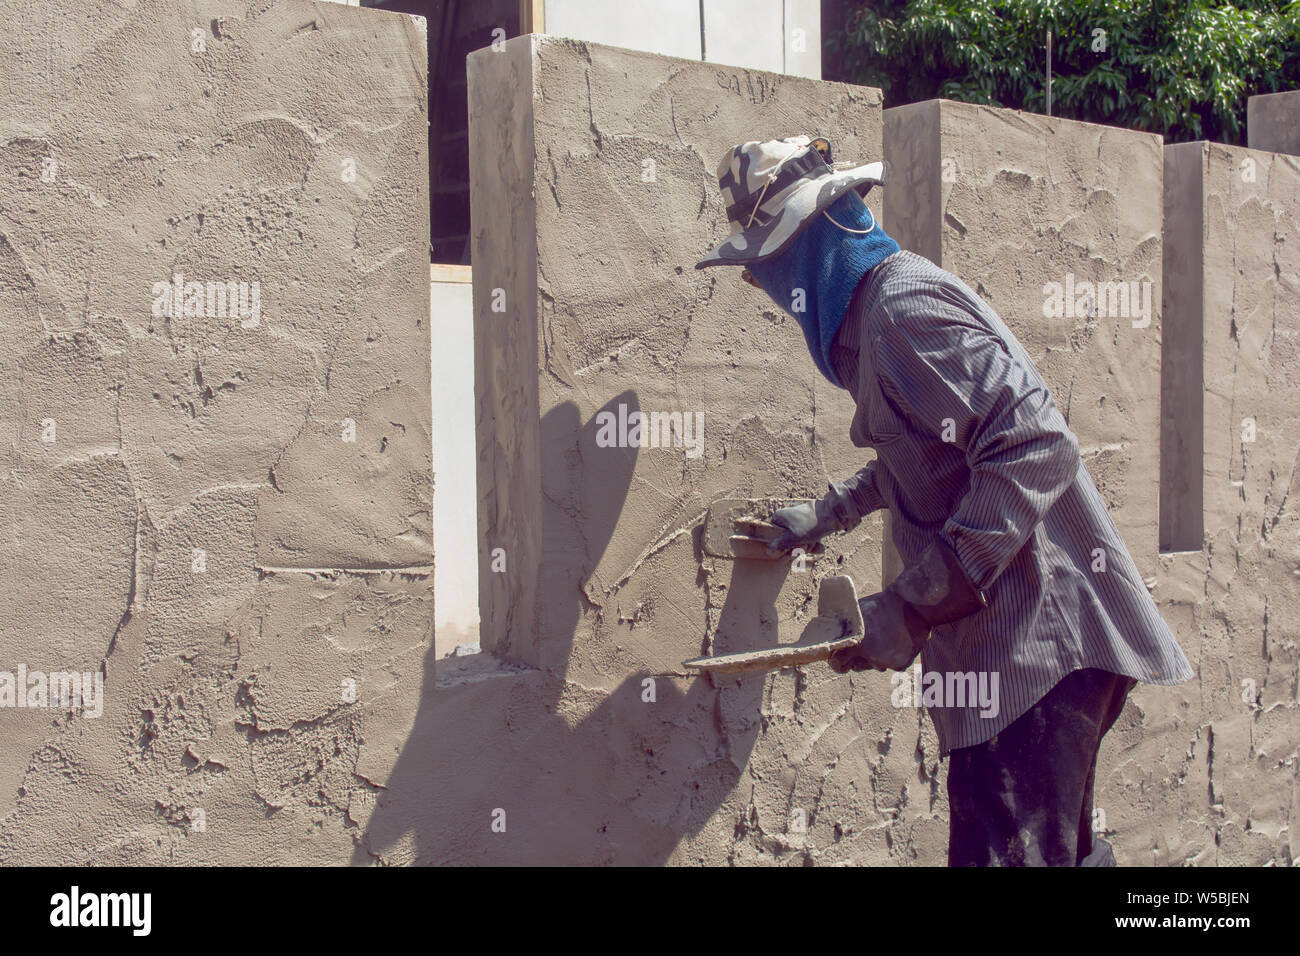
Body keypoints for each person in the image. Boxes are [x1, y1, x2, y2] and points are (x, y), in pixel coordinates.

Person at [695, 135, 1193, 866]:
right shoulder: (875, 322)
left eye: (764, 262)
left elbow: (1036, 443)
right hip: (1015, 658)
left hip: (1036, 650)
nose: (757, 284)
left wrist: (914, 605)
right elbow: (929, 453)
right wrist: (825, 515)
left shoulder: (899, 311)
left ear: (812, 237)